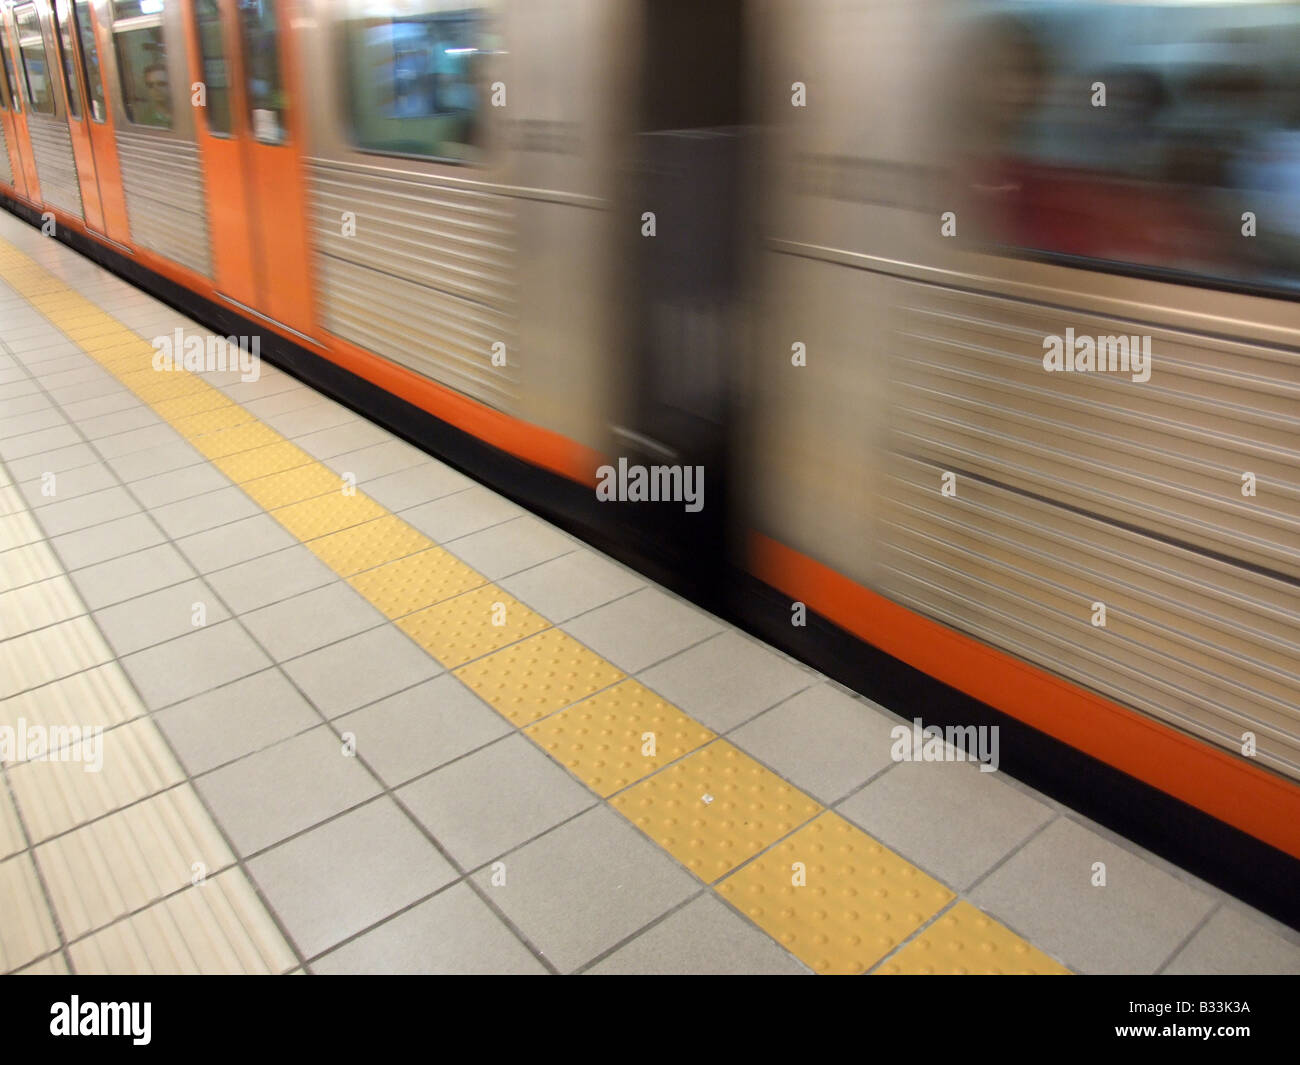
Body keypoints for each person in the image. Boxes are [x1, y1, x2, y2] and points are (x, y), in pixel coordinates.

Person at [137, 62, 171, 127]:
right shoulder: (146, 119)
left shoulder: (186, 112)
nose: (156, 89)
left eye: (161, 84)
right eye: (150, 85)